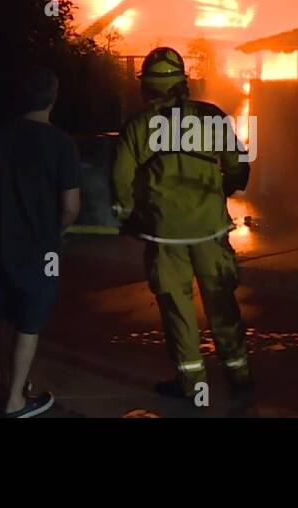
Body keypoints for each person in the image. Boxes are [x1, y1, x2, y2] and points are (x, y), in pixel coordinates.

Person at [112, 46, 252, 401]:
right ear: (183, 82)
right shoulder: (212, 117)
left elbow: (120, 181)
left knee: (178, 308)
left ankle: (192, 385)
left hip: (165, 234)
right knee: (221, 299)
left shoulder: (136, 126)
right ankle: (240, 376)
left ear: (146, 87)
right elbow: (238, 167)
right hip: (211, 229)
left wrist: (128, 216)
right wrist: (220, 189)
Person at [0, 67, 81, 418]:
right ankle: (15, 403)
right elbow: (71, 207)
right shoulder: (62, 144)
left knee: (2, 315)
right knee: (29, 321)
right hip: (39, 251)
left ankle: (9, 384)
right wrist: (59, 229)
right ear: (54, 98)